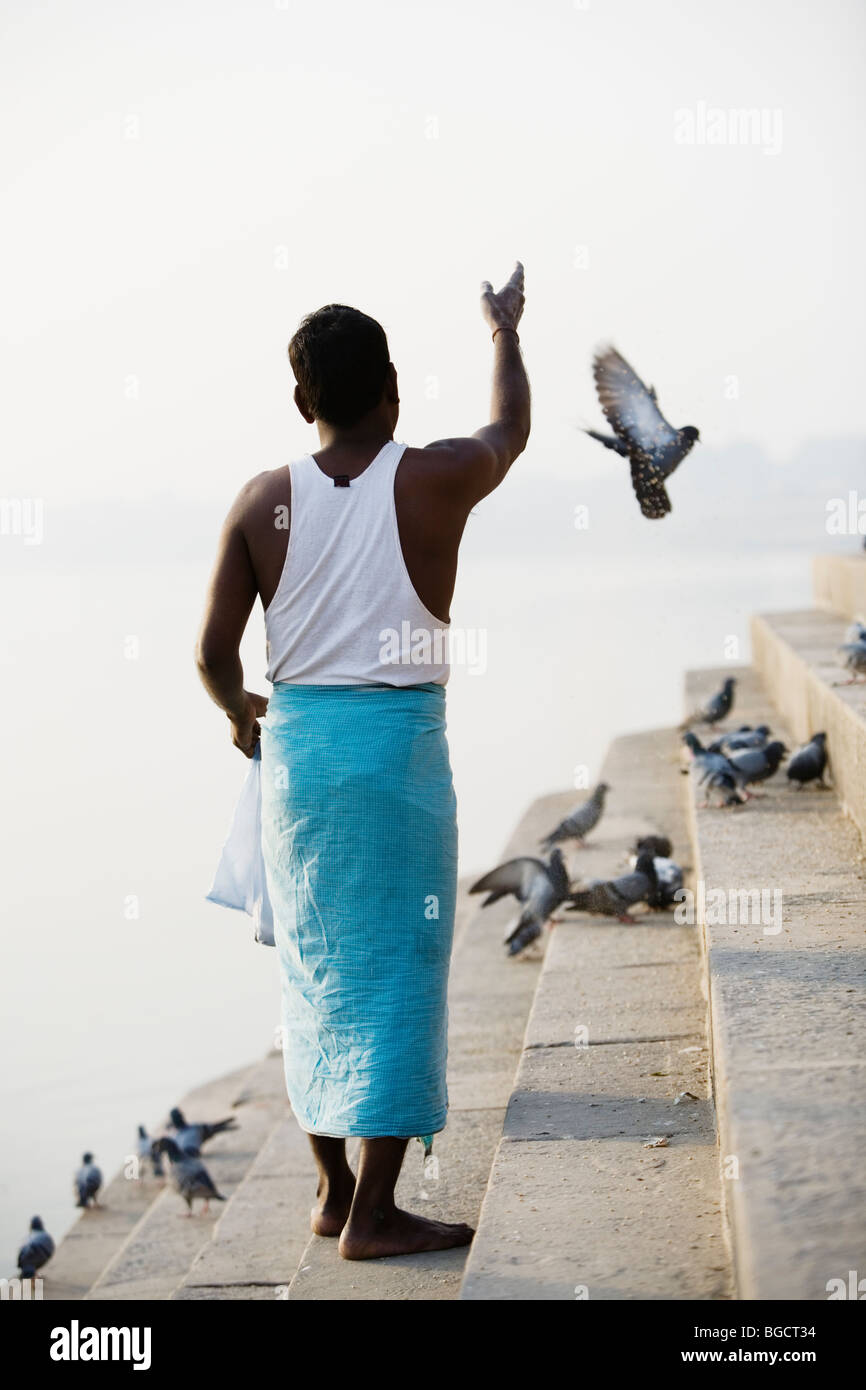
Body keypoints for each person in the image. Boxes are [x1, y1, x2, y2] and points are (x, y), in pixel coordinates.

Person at [196, 263, 530, 1259]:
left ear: (302, 401)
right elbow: (508, 431)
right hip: (395, 758)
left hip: (298, 756)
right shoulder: (431, 478)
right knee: (398, 974)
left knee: (314, 968)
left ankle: (332, 1190)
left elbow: (212, 656)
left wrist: (235, 713)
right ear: (393, 386)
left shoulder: (262, 502)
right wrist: (503, 331)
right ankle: (376, 1212)